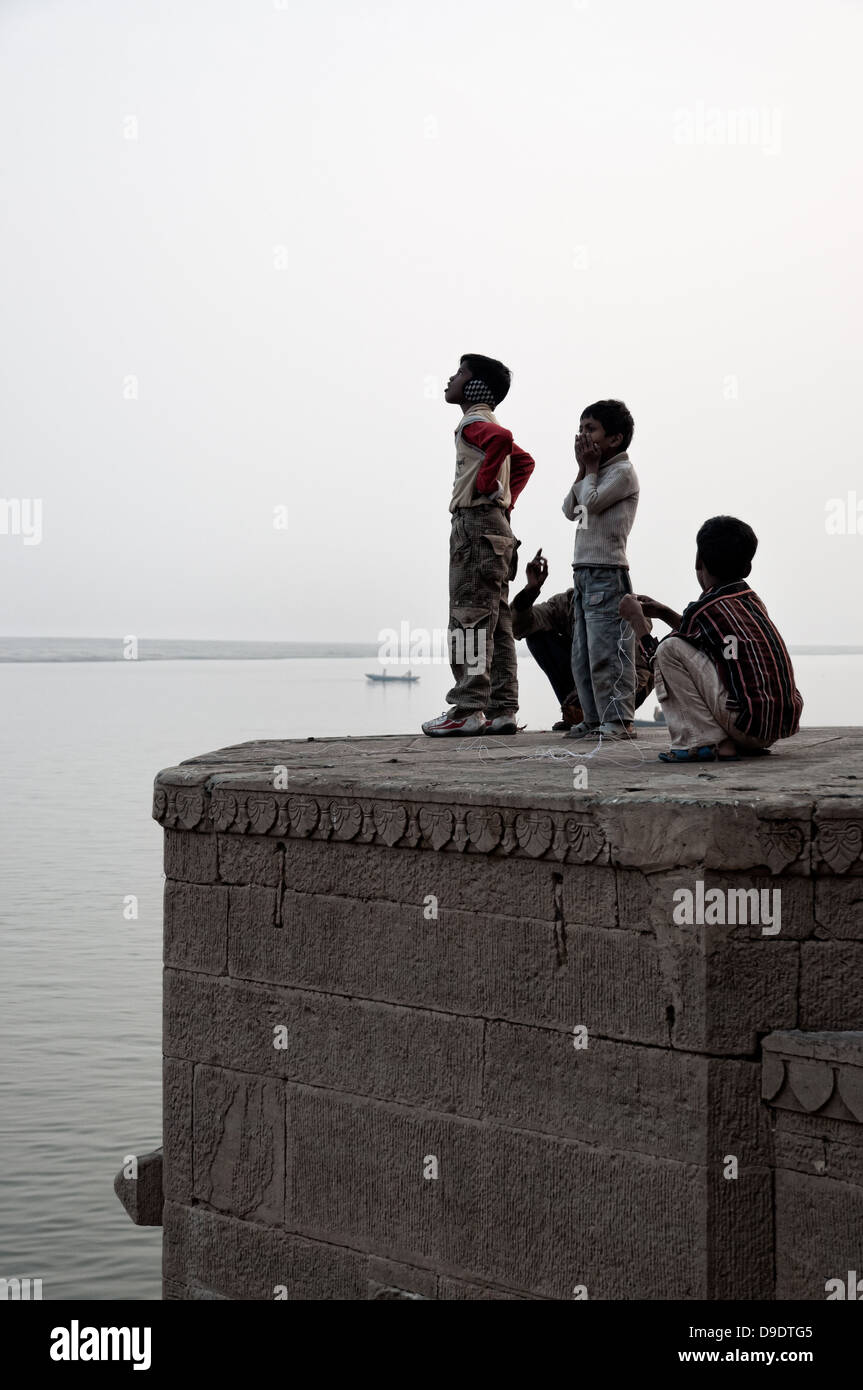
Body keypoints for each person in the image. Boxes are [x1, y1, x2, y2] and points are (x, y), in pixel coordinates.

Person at [619, 515, 803, 762]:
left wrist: (638, 624)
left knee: (669, 649)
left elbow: (659, 658)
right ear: (747, 569)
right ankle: (726, 742)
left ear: (698, 562)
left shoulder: (704, 609)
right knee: (699, 650)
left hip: (746, 726)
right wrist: (663, 612)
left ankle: (698, 742)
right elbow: (701, 635)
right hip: (776, 727)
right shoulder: (752, 601)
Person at [422, 354, 536, 737]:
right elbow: (523, 462)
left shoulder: (473, 423)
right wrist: (506, 501)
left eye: (458, 374)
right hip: (498, 527)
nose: (449, 379)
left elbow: (505, 445)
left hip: (474, 523)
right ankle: (503, 708)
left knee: (469, 614)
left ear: (474, 386)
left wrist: (487, 487)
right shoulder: (489, 421)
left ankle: (468, 708)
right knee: (498, 619)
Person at [561, 400, 639, 740]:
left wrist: (590, 469)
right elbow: (570, 509)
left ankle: (618, 720)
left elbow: (590, 504)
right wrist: (583, 470)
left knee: (609, 650)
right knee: (584, 653)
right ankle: (594, 718)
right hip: (584, 572)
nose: (582, 435)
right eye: (581, 428)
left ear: (615, 438)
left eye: (590, 429)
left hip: (607, 572)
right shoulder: (595, 474)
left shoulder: (622, 473)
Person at [512, 547, 655, 729]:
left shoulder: (628, 608)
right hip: (583, 685)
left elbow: (640, 675)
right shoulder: (567, 603)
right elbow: (520, 627)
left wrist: (593, 693)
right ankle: (578, 713)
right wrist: (530, 592)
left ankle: (610, 717)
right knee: (536, 637)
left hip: (622, 687)